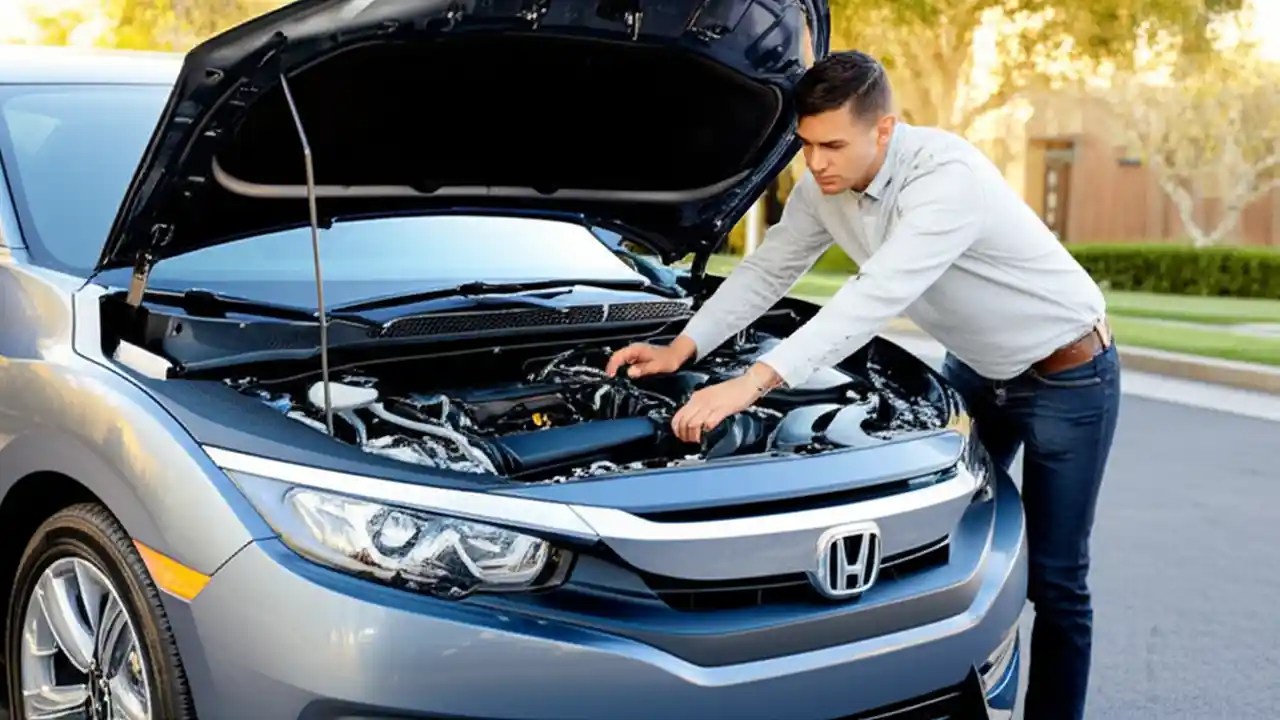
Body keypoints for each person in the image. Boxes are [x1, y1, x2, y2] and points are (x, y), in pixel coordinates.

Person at [604, 50, 1120, 720]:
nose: (815, 164)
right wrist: (684, 346)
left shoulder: (947, 178)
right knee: (939, 549)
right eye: (806, 145)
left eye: (833, 146)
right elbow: (768, 270)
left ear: (884, 130)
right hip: (977, 370)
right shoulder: (825, 187)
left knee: (1054, 578)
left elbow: (875, 296)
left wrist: (748, 386)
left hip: (1066, 376)